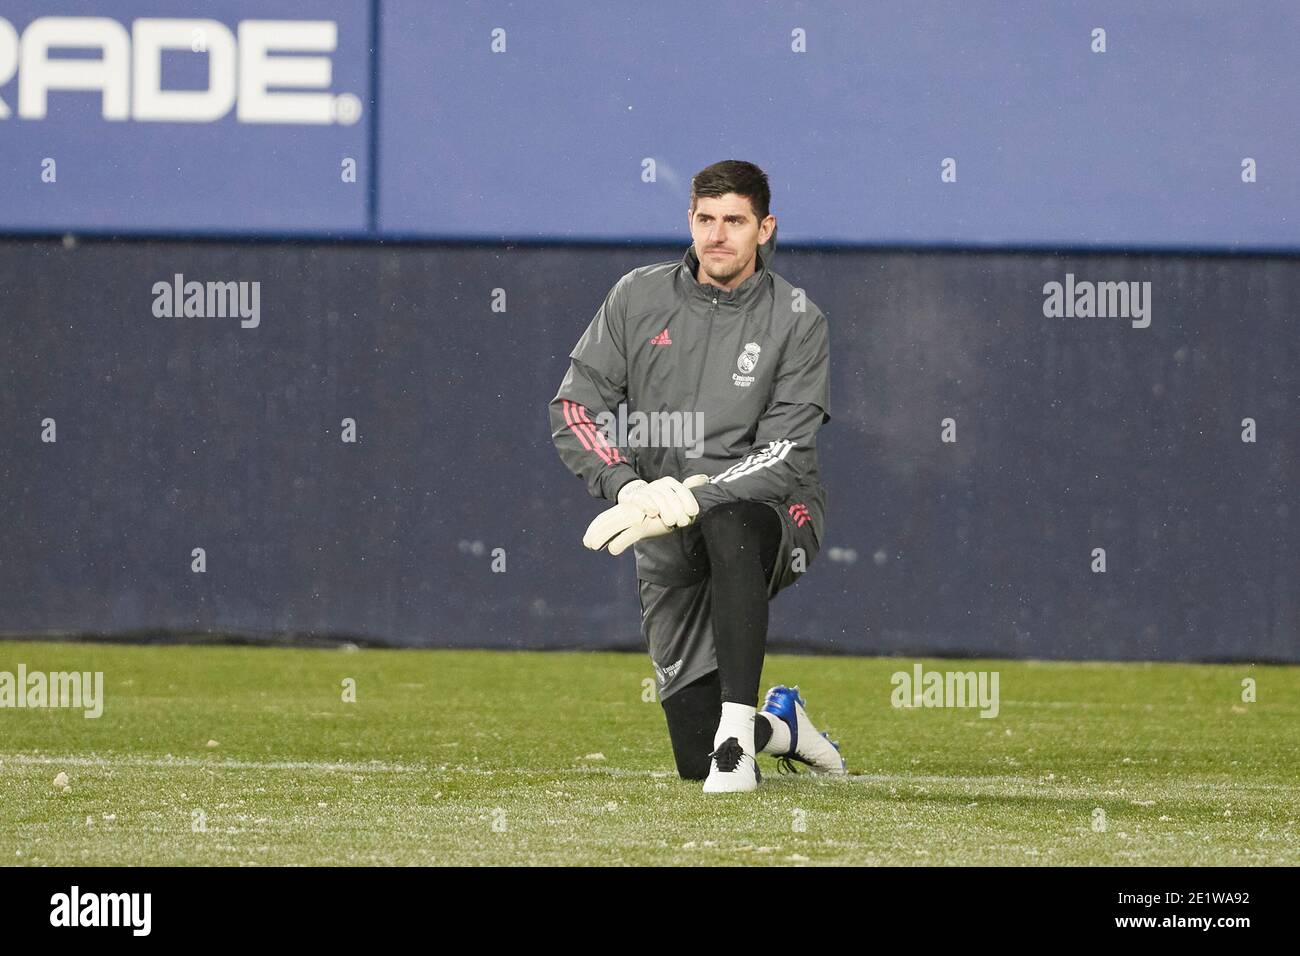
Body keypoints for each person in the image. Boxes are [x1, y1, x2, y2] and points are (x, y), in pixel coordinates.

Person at [549, 160, 845, 792]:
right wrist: (628, 487)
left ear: (765, 229)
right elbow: (574, 406)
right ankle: (780, 726)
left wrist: (694, 492)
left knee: (729, 524)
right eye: (705, 220)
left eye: (734, 221)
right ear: (689, 221)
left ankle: (738, 737)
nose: (717, 235)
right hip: (661, 522)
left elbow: (786, 452)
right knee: (691, 758)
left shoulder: (799, 318)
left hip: (772, 515)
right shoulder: (636, 295)